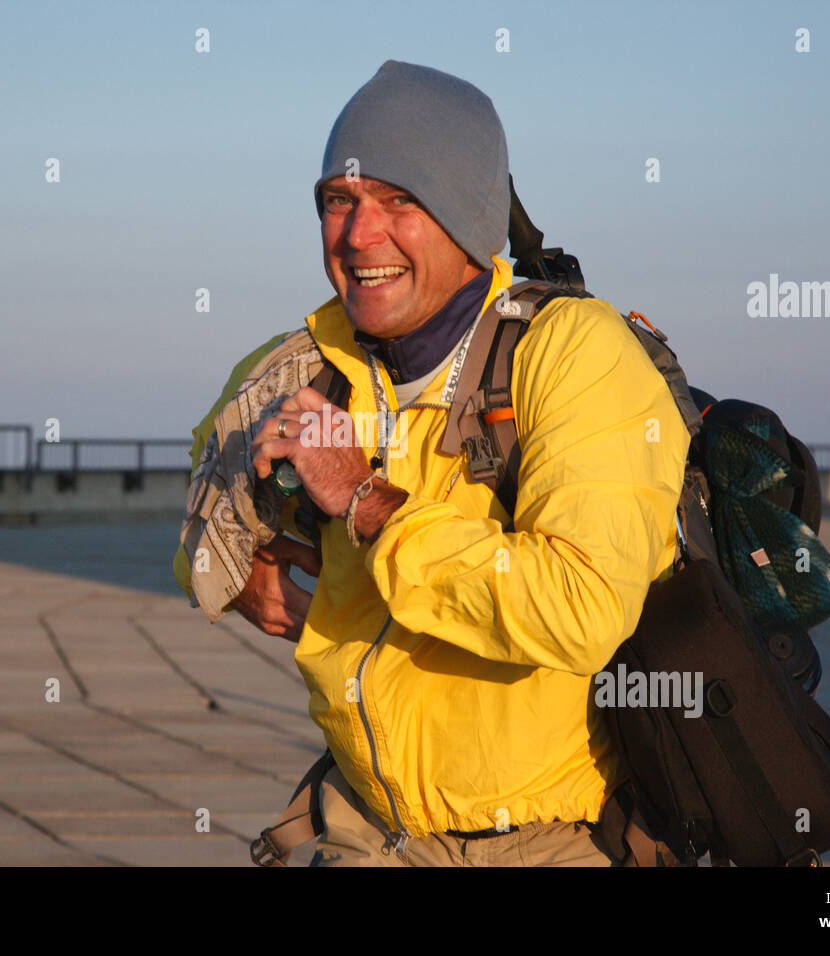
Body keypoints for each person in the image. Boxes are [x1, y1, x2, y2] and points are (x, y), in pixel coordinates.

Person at [176, 61, 690, 865]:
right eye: (338, 201)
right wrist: (232, 567)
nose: (359, 235)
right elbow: (208, 482)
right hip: (365, 823)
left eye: (400, 201)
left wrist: (365, 499)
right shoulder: (306, 365)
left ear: (470, 218)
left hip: (548, 838)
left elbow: (582, 608)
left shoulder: (574, 354)